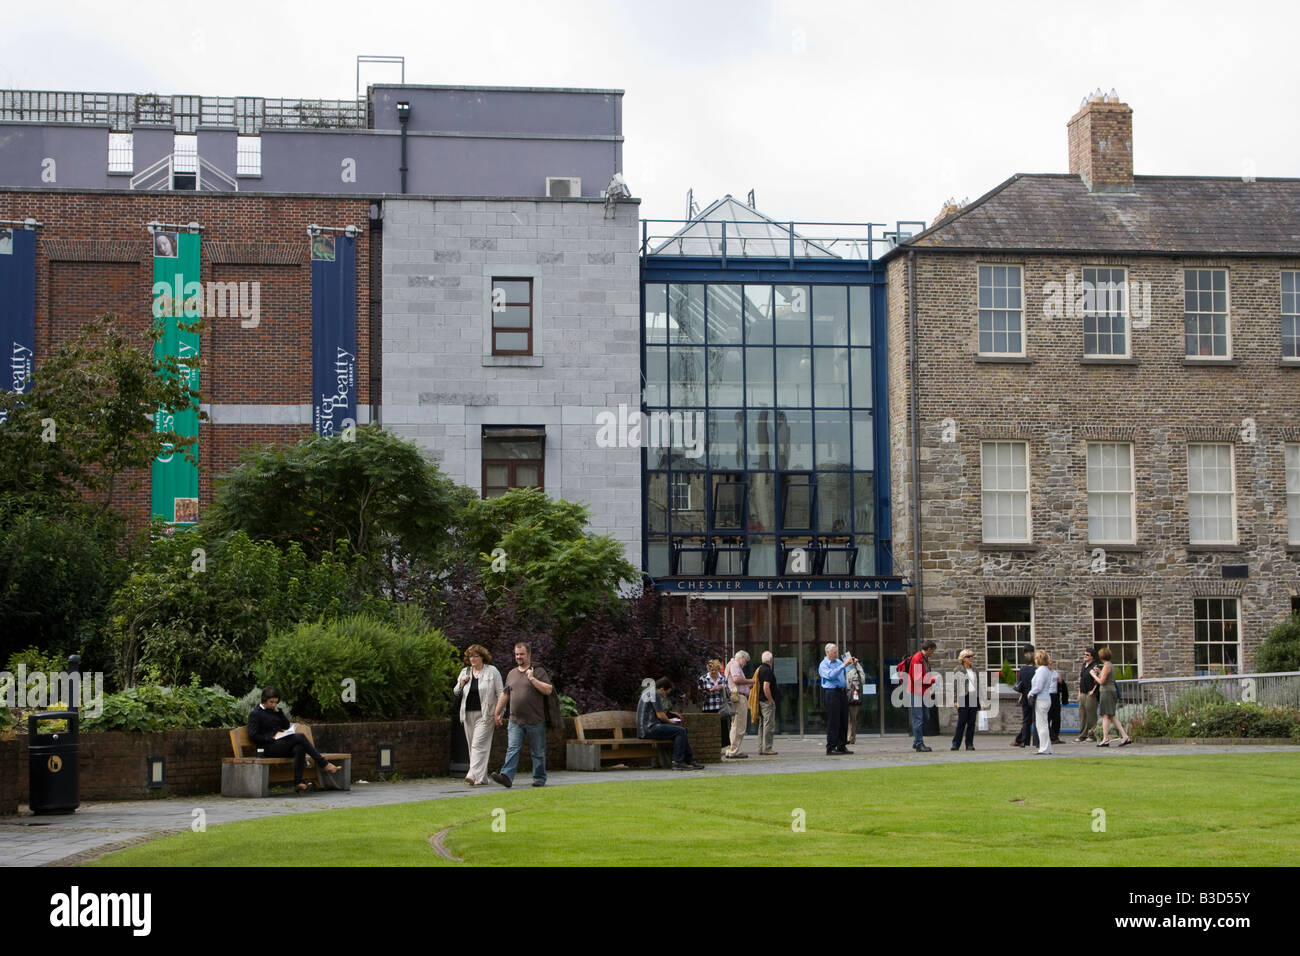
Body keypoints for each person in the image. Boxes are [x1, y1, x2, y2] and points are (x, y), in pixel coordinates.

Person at [246, 685, 340, 791]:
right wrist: (270, 738)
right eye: (271, 702)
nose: (273, 705)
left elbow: (286, 725)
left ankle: (298, 782)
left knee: (299, 748)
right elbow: (253, 736)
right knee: (300, 737)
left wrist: (279, 712)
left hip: (280, 745)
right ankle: (323, 764)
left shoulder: (275, 711)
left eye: (276, 702)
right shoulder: (255, 714)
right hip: (268, 748)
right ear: (264, 700)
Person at [490, 641, 554, 788]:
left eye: (521, 654)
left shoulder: (538, 671)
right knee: (512, 749)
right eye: (516, 654)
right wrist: (497, 712)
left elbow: (548, 690)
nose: (518, 657)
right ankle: (506, 776)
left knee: (538, 752)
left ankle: (539, 778)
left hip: (535, 720)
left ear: (529, 655)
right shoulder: (512, 673)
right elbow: (505, 694)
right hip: (515, 720)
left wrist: (531, 678)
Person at [453, 644, 504, 786]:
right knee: (474, 747)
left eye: (476, 656)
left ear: (482, 657)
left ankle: (471, 773)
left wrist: (499, 713)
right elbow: (456, 692)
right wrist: (462, 683)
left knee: (477, 745)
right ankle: (481, 778)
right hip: (467, 714)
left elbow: (501, 694)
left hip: (486, 715)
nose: (472, 659)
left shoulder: (492, 671)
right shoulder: (465, 671)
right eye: (470, 656)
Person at [637, 677, 703, 770]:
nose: (665, 695)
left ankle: (688, 760)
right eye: (666, 692)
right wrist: (670, 721)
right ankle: (678, 762)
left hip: (645, 728)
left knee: (682, 731)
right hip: (650, 728)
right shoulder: (655, 694)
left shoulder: (648, 692)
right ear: (662, 689)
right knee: (680, 731)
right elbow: (660, 715)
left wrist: (669, 716)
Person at [818, 643, 857, 755]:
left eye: (836, 652)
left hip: (842, 692)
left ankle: (841, 745)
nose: (836, 654)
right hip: (832, 693)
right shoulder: (823, 665)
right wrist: (844, 665)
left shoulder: (839, 662)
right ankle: (830, 747)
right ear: (827, 652)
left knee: (843, 719)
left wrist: (853, 663)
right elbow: (831, 675)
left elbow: (848, 670)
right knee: (833, 721)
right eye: (834, 652)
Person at [1092, 647, 1132, 747]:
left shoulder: (1107, 666)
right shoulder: (1107, 665)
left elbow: (1102, 681)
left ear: (1101, 656)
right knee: (1111, 715)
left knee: (1106, 715)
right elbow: (1105, 677)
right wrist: (1099, 671)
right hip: (1109, 692)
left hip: (1107, 692)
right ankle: (1125, 736)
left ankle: (1105, 739)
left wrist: (1093, 674)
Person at [905, 640, 937, 752]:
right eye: (932, 651)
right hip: (916, 692)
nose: (932, 653)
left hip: (923, 692)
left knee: (925, 717)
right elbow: (918, 679)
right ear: (928, 649)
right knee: (918, 718)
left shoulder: (924, 658)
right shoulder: (917, 658)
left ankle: (916, 741)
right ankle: (919, 744)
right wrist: (932, 680)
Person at [723, 650, 753, 759]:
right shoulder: (735, 664)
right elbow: (736, 679)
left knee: (735, 725)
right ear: (741, 657)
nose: (745, 663)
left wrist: (747, 687)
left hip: (736, 696)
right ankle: (734, 751)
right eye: (746, 660)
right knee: (739, 725)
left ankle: (732, 749)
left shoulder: (731, 664)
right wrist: (751, 681)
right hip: (739, 698)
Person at [951, 649, 983, 750]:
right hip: (963, 697)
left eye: (971, 656)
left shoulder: (975, 670)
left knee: (971, 722)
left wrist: (981, 698)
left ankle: (969, 743)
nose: (971, 658)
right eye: (968, 656)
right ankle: (956, 743)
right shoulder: (958, 669)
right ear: (963, 658)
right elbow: (955, 686)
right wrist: (955, 700)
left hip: (973, 697)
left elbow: (978, 685)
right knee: (962, 721)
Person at [1028, 649, 1054, 755]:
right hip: (1046, 698)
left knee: (1041, 724)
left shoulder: (1041, 670)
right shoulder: (1046, 670)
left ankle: (1044, 748)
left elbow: (1038, 686)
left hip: (1041, 699)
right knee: (1043, 724)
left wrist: (1030, 693)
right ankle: (1047, 747)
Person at [698, 658, 728, 748]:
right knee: (709, 730)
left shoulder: (723, 678)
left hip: (721, 708)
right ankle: (710, 748)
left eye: (715, 670)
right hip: (708, 708)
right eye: (711, 670)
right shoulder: (703, 679)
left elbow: (728, 693)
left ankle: (720, 749)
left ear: (718, 669)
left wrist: (723, 688)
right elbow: (700, 694)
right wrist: (712, 689)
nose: (713, 672)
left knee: (722, 731)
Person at [1012, 644, 1036, 748]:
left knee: (1026, 720)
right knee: (1036, 719)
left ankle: (1024, 741)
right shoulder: (1037, 670)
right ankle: (1037, 741)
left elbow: (1019, 684)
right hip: (1034, 696)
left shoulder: (1022, 670)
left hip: (1025, 696)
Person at [755, 651, 779, 755]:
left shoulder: (759, 669)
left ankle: (761, 748)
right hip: (766, 702)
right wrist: (770, 700)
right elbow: (766, 686)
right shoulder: (767, 671)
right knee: (768, 725)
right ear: (771, 660)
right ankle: (767, 748)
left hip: (760, 700)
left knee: (761, 725)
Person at [1077, 647, 1101, 742]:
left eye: (1087, 655)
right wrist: (1079, 692)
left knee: (1091, 715)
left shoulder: (1095, 666)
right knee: (1082, 715)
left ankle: (1092, 735)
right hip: (1082, 693)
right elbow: (1081, 679)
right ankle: (1082, 735)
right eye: (1084, 654)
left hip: (1090, 694)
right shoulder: (1084, 666)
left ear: (1092, 657)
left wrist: (1093, 690)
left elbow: (1097, 680)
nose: (1085, 656)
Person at [845, 653, 867, 745]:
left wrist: (857, 665)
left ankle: (851, 738)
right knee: (845, 719)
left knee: (853, 718)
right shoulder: (843, 669)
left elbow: (863, 680)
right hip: (844, 695)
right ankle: (845, 737)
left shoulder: (857, 669)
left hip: (854, 696)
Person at [1048, 665, 1068, 743]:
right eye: (1049, 662)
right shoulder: (1042, 672)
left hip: (1055, 696)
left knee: (1056, 718)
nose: (1051, 664)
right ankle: (1051, 736)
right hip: (1047, 695)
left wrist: (1061, 682)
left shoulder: (1055, 673)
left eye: (1051, 662)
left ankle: (1055, 737)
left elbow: (1062, 684)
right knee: (1047, 718)